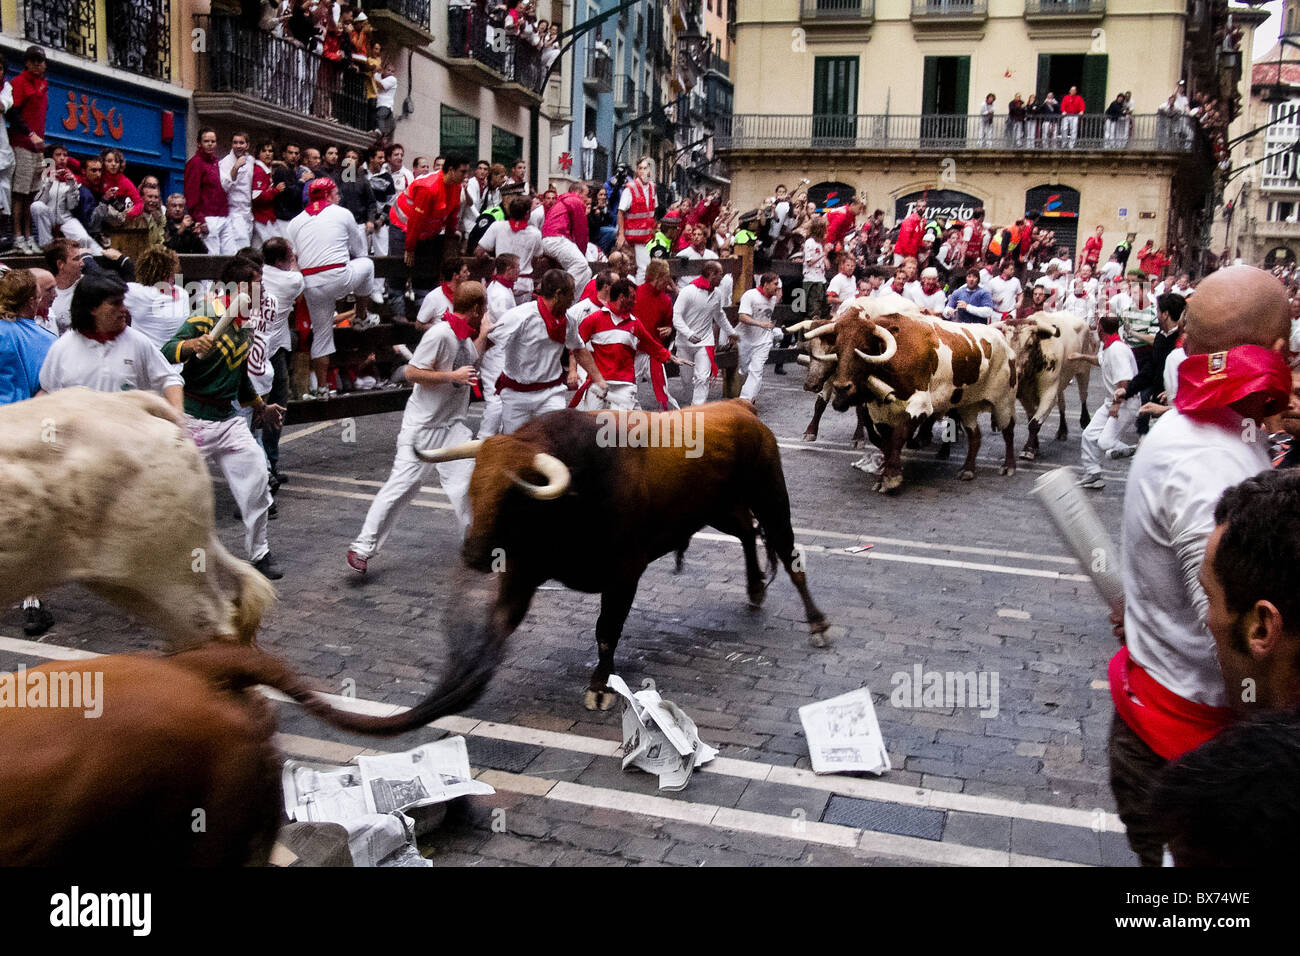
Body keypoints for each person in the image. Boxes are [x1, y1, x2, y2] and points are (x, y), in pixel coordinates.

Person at [1106, 266, 1292, 866]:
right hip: (1192, 750)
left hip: (1173, 725)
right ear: (1280, 352)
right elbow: (1240, 645)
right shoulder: (1209, 460)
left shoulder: (1210, 431)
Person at [346, 282, 493, 575]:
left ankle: (474, 544)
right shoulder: (440, 333)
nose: (486, 313)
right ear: (476, 309)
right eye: (484, 309)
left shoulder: (462, 338)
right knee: (402, 486)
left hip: (452, 427)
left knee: (467, 485)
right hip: (423, 428)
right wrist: (453, 375)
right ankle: (362, 547)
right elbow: (412, 372)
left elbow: (467, 362)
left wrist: (485, 336)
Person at [162, 257, 287, 580]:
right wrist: (191, 344)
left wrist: (260, 406)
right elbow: (165, 351)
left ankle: (259, 553)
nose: (261, 291)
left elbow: (239, 373)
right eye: (256, 284)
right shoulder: (205, 314)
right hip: (194, 419)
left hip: (228, 419)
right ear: (240, 287)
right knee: (180, 493)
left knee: (258, 479)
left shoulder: (246, 323)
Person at [38, 270, 182, 408]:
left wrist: (176, 415)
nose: (124, 309)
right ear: (92, 308)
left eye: (123, 302)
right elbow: (47, 391)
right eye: (116, 303)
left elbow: (170, 379)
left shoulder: (138, 343)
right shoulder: (62, 348)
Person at [286, 178, 374, 399]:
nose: (339, 197)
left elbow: (293, 257)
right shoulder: (342, 213)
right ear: (327, 195)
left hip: (311, 284)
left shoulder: (294, 222)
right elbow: (360, 250)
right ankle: (362, 316)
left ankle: (323, 388)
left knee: (322, 335)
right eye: (336, 193)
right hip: (339, 277)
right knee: (368, 264)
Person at [492, 269, 606, 434]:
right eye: (571, 293)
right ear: (559, 294)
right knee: (516, 446)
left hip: (550, 393)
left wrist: (599, 380)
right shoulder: (519, 316)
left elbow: (579, 349)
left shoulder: (569, 321)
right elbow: (491, 342)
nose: (574, 298)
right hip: (516, 395)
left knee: (555, 439)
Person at [572, 277, 683, 410]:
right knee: (592, 423)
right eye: (632, 297)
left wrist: (669, 356)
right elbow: (575, 346)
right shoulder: (593, 320)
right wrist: (573, 371)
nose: (635, 301)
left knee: (624, 425)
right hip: (598, 382)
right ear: (621, 297)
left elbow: (650, 344)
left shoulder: (635, 323)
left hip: (625, 385)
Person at [387, 153, 467, 316]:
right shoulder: (429, 187)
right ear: (451, 170)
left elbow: (452, 216)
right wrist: (409, 248)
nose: (466, 176)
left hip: (426, 231)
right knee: (400, 267)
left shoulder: (456, 187)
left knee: (424, 269)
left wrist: (449, 242)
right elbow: (415, 221)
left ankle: (424, 314)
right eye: (463, 172)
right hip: (402, 226)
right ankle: (397, 314)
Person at [1074, 313, 1139, 489]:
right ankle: (1093, 474)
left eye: (1097, 324)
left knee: (1105, 442)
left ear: (1100, 328)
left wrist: (1117, 405)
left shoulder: (1117, 350)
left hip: (1125, 403)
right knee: (1089, 435)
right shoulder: (1108, 347)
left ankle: (1139, 453)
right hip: (1112, 400)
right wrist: (1080, 357)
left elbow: (1124, 381)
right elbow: (1101, 361)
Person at [258, 237, 304, 485]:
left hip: (260, 346)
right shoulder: (292, 279)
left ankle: (267, 465)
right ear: (280, 260)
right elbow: (298, 279)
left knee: (258, 408)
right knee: (277, 405)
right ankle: (268, 465)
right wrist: (295, 263)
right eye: (289, 255)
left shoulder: (259, 273)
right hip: (272, 349)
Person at [673, 260, 738, 407]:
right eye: (720, 275)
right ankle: (691, 403)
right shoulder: (688, 292)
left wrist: (731, 332)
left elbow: (719, 315)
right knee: (686, 379)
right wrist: (688, 334)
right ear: (710, 274)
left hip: (705, 341)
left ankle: (697, 408)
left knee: (702, 378)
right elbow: (676, 316)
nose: (722, 278)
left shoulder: (717, 294)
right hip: (684, 342)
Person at [8, 47, 47, 254]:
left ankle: (29, 235)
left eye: (40, 61)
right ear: (27, 62)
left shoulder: (43, 85)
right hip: (23, 144)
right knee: (20, 193)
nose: (37, 64)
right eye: (33, 60)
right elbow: (13, 113)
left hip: (36, 148)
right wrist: (30, 134)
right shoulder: (19, 82)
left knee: (32, 195)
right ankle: (17, 236)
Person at [475, 195, 543, 305]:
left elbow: (478, 252)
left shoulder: (497, 226)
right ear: (527, 213)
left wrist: (488, 259)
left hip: (500, 282)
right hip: (524, 284)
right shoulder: (535, 233)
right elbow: (536, 258)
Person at [124, 246, 190, 350]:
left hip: (147, 360)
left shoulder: (136, 293)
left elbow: (103, 284)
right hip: (177, 359)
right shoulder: (182, 294)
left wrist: (88, 257)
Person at [634, 259, 679, 411]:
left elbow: (668, 323)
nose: (667, 283)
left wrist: (669, 329)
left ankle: (665, 418)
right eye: (666, 279)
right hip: (635, 349)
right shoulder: (635, 293)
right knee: (627, 388)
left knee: (662, 389)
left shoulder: (665, 300)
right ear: (658, 277)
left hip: (653, 349)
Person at [185, 128, 234, 255]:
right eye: (206, 141)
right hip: (208, 217)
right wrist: (200, 219)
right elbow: (191, 194)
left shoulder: (217, 163)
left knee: (231, 255)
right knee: (212, 257)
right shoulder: (195, 163)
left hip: (223, 215)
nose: (210, 144)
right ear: (199, 143)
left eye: (213, 141)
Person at [737, 273, 781, 402]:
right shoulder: (750, 295)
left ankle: (745, 401)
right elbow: (742, 316)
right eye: (775, 284)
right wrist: (760, 324)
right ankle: (749, 393)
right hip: (746, 338)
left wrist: (767, 327)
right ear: (766, 284)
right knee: (744, 370)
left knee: (757, 370)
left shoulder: (773, 299)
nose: (777, 287)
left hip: (764, 339)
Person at [541, 180, 592, 292]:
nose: (587, 199)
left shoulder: (563, 200)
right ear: (579, 192)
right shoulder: (575, 201)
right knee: (581, 264)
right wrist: (582, 253)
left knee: (587, 271)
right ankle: (558, 296)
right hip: (557, 239)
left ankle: (571, 304)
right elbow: (581, 232)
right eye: (586, 195)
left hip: (551, 240)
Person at [616, 155, 658, 283]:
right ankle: (639, 294)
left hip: (646, 236)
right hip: (633, 236)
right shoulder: (630, 189)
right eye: (640, 168)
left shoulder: (652, 188)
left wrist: (653, 230)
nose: (643, 171)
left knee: (642, 268)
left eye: (646, 168)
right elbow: (620, 212)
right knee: (643, 268)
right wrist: (621, 235)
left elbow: (652, 212)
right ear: (637, 171)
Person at [218, 132, 256, 250]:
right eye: (235, 143)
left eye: (241, 143)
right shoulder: (225, 162)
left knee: (248, 244)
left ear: (247, 145)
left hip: (248, 212)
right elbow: (224, 186)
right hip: (234, 212)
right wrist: (235, 167)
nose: (238, 146)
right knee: (240, 247)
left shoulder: (251, 160)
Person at [893, 198, 925, 264]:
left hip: (912, 253)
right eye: (919, 206)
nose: (921, 208)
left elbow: (919, 239)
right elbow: (904, 240)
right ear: (916, 207)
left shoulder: (922, 221)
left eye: (923, 206)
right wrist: (909, 255)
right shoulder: (910, 220)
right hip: (902, 253)